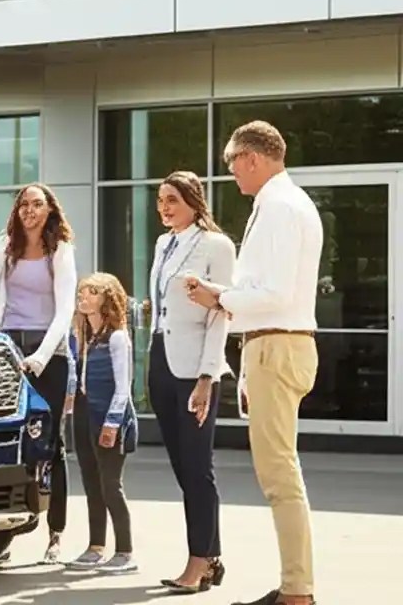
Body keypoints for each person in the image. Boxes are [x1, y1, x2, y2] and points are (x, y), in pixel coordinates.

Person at [185, 121, 323, 605]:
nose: (232, 173)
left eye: (233, 164)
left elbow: (275, 293)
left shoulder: (281, 207)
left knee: (279, 475)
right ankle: (295, 587)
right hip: (275, 346)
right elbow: (271, 292)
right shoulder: (284, 204)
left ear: (253, 158)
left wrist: (219, 297)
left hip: (277, 346)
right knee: (280, 472)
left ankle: (297, 592)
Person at [0, 183, 78, 564]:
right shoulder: (4, 246)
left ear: (50, 210)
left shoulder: (60, 250)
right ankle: (4, 534)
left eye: (37, 204)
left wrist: (41, 356)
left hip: (49, 353)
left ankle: (55, 534)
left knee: (51, 444)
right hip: (11, 346)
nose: (29, 210)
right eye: (23, 205)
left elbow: (65, 310)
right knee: (9, 442)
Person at [147, 171, 236, 595]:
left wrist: (207, 376)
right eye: (161, 200)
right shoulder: (163, 244)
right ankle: (210, 557)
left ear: (193, 202)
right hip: (161, 360)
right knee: (183, 467)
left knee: (198, 467)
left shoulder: (216, 245)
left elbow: (221, 315)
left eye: (173, 200)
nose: (164, 207)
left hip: (195, 369)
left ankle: (198, 562)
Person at [64, 272, 138, 574]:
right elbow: (76, 377)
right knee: (91, 483)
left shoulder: (117, 338)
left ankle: (125, 551)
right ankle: (96, 547)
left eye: (92, 292)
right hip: (84, 413)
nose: (84, 297)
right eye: (82, 292)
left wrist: (112, 423)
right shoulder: (82, 337)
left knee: (110, 485)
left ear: (108, 299)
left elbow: (123, 387)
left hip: (109, 415)